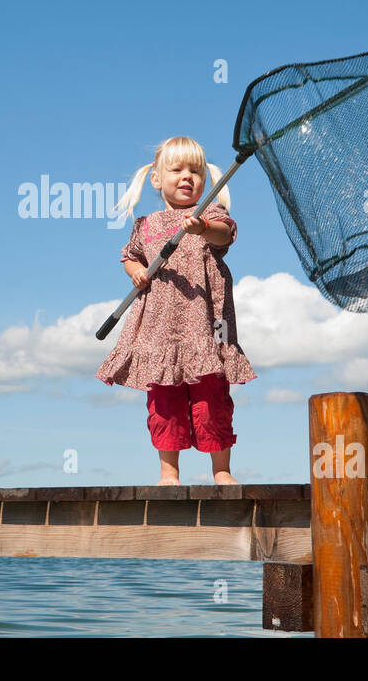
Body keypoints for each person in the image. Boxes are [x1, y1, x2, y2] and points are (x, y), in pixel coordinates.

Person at [96, 136, 256, 486]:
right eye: (178, 170)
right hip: (160, 327)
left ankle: (221, 470)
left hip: (207, 325)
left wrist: (200, 227)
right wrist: (136, 270)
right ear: (156, 178)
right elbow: (130, 255)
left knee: (211, 399)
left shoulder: (211, 213)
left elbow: (223, 236)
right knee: (164, 401)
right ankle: (169, 473)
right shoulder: (146, 224)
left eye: (196, 171)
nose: (188, 177)